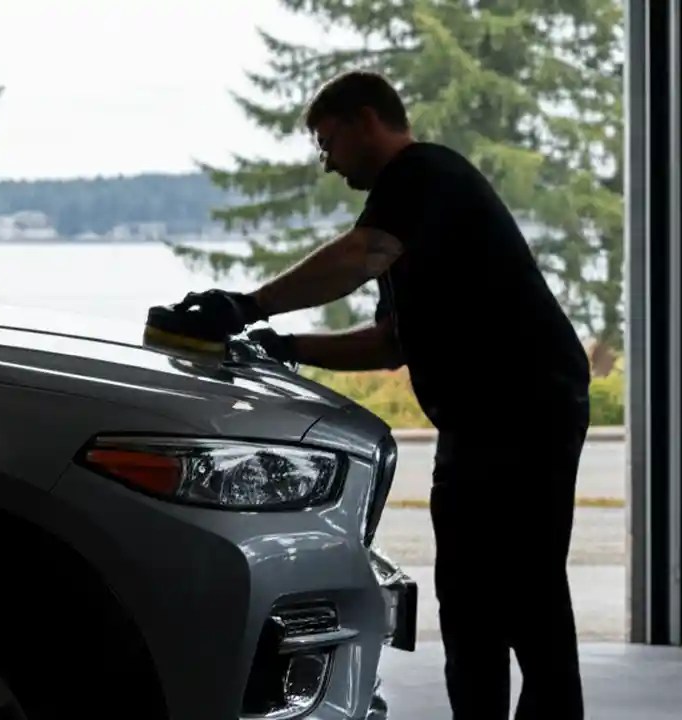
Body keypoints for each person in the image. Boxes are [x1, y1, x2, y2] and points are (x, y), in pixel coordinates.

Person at [172, 70, 591, 719]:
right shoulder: (415, 213)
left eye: (328, 141)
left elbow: (361, 252)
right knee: (470, 598)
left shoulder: (424, 175)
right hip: (481, 421)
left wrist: (247, 306)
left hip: (526, 408)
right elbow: (390, 343)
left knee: (525, 592)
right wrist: (287, 347)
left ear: (367, 120)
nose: (326, 163)